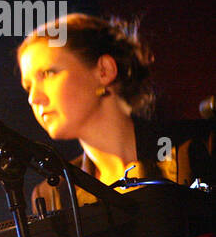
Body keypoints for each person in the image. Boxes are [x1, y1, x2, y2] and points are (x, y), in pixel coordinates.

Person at [17, 13, 214, 211]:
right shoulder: (54, 195)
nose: (33, 98)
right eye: (28, 87)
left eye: (48, 73)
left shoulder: (198, 148)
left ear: (104, 70)